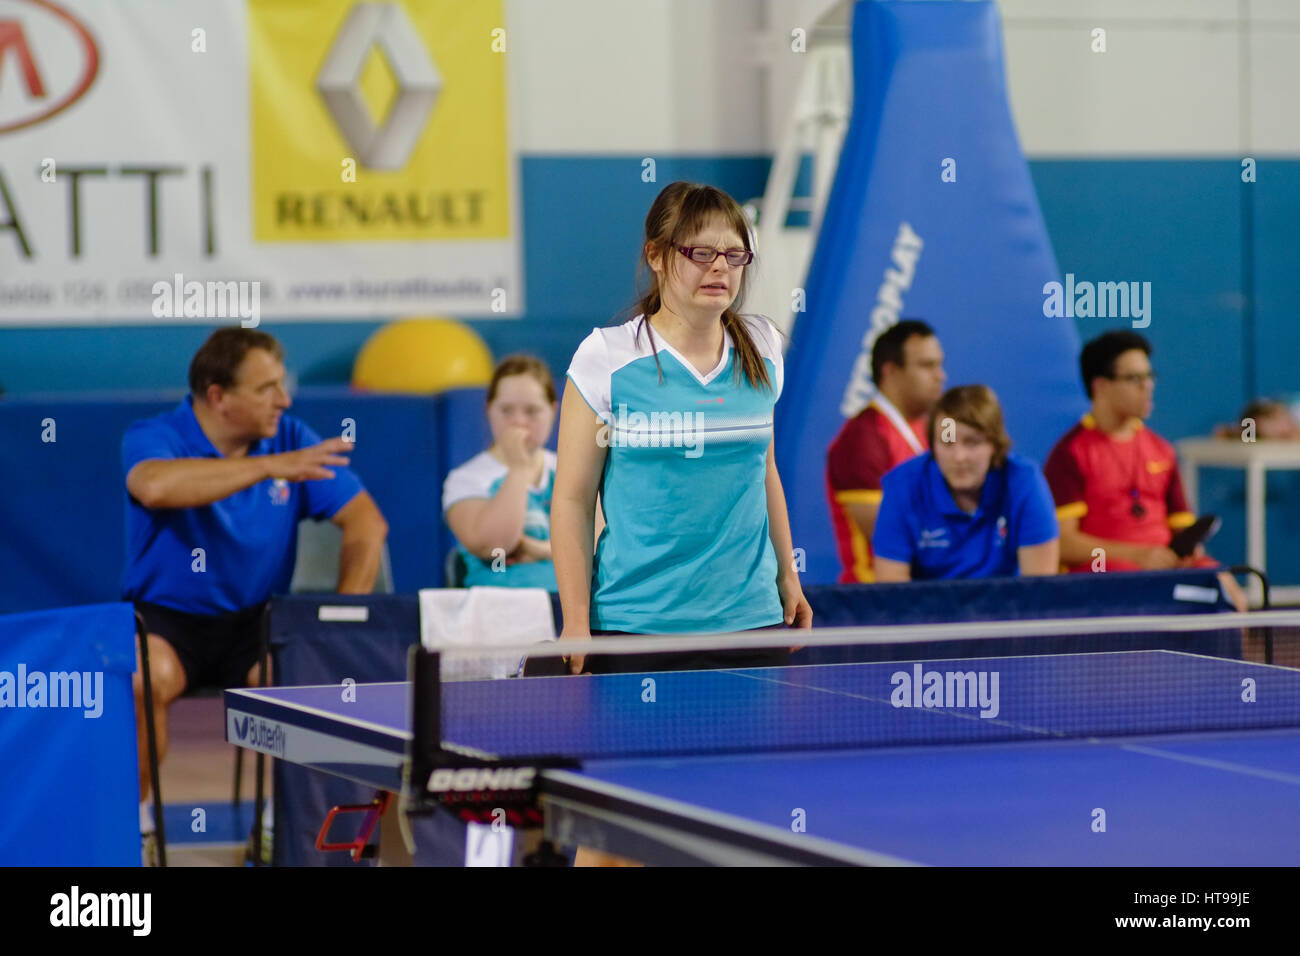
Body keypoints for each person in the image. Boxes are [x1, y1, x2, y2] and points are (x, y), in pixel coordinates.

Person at [123, 327, 389, 861]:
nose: (284, 400)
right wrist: (269, 467)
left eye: (282, 386)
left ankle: (276, 826)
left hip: (258, 622)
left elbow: (367, 525)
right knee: (142, 678)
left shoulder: (290, 433)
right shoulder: (155, 435)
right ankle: (140, 825)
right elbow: (154, 486)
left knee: (302, 680)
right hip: (165, 623)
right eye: (266, 388)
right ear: (219, 396)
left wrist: (337, 616)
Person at [551, 180, 813, 678]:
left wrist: (787, 575)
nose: (720, 267)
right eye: (700, 251)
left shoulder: (762, 347)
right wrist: (576, 619)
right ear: (655, 255)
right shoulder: (605, 356)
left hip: (749, 622)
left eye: (735, 255)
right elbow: (572, 499)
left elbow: (765, 470)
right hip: (637, 624)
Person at [1042, 330, 1246, 609]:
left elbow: (1181, 527)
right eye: (1135, 379)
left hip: (1164, 567)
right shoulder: (1070, 453)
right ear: (1100, 385)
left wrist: (1190, 551)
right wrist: (1137, 555)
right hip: (1104, 575)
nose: (1148, 386)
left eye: (1150, 376)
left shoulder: (1162, 450)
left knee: (1229, 593)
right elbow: (1063, 544)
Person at [872, 385, 1058, 581]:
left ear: (994, 445)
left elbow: (1038, 591)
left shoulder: (1023, 482)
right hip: (928, 611)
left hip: (1007, 610)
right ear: (933, 446)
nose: (959, 457)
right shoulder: (902, 488)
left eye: (972, 442)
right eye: (947, 443)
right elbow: (892, 594)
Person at [826, 319, 945, 582]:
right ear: (890, 371)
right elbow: (887, 532)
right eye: (927, 365)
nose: (940, 375)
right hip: (874, 603)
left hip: (921, 594)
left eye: (939, 364)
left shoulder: (928, 429)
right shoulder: (862, 439)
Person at [443, 355, 562, 590]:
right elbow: (495, 545)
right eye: (506, 410)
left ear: (552, 410)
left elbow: (599, 546)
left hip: (575, 611)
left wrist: (536, 549)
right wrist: (519, 469)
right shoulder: (465, 479)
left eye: (532, 411)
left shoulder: (568, 470)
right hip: (499, 612)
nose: (518, 421)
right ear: (489, 410)